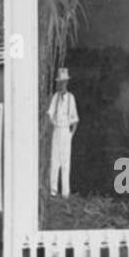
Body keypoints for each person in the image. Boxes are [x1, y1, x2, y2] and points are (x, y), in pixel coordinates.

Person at [47, 66, 79, 197]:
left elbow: (75, 119)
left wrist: (71, 134)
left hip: (66, 131)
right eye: (60, 82)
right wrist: (53, 125)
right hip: (57, 130)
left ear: (67, 83)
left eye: (64, 82)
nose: (62, 84)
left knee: (66, 161)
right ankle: (53, 190)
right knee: (55, 161)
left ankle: (66, 192)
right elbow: (49, 114)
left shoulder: (71, 98)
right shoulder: (55, 97)